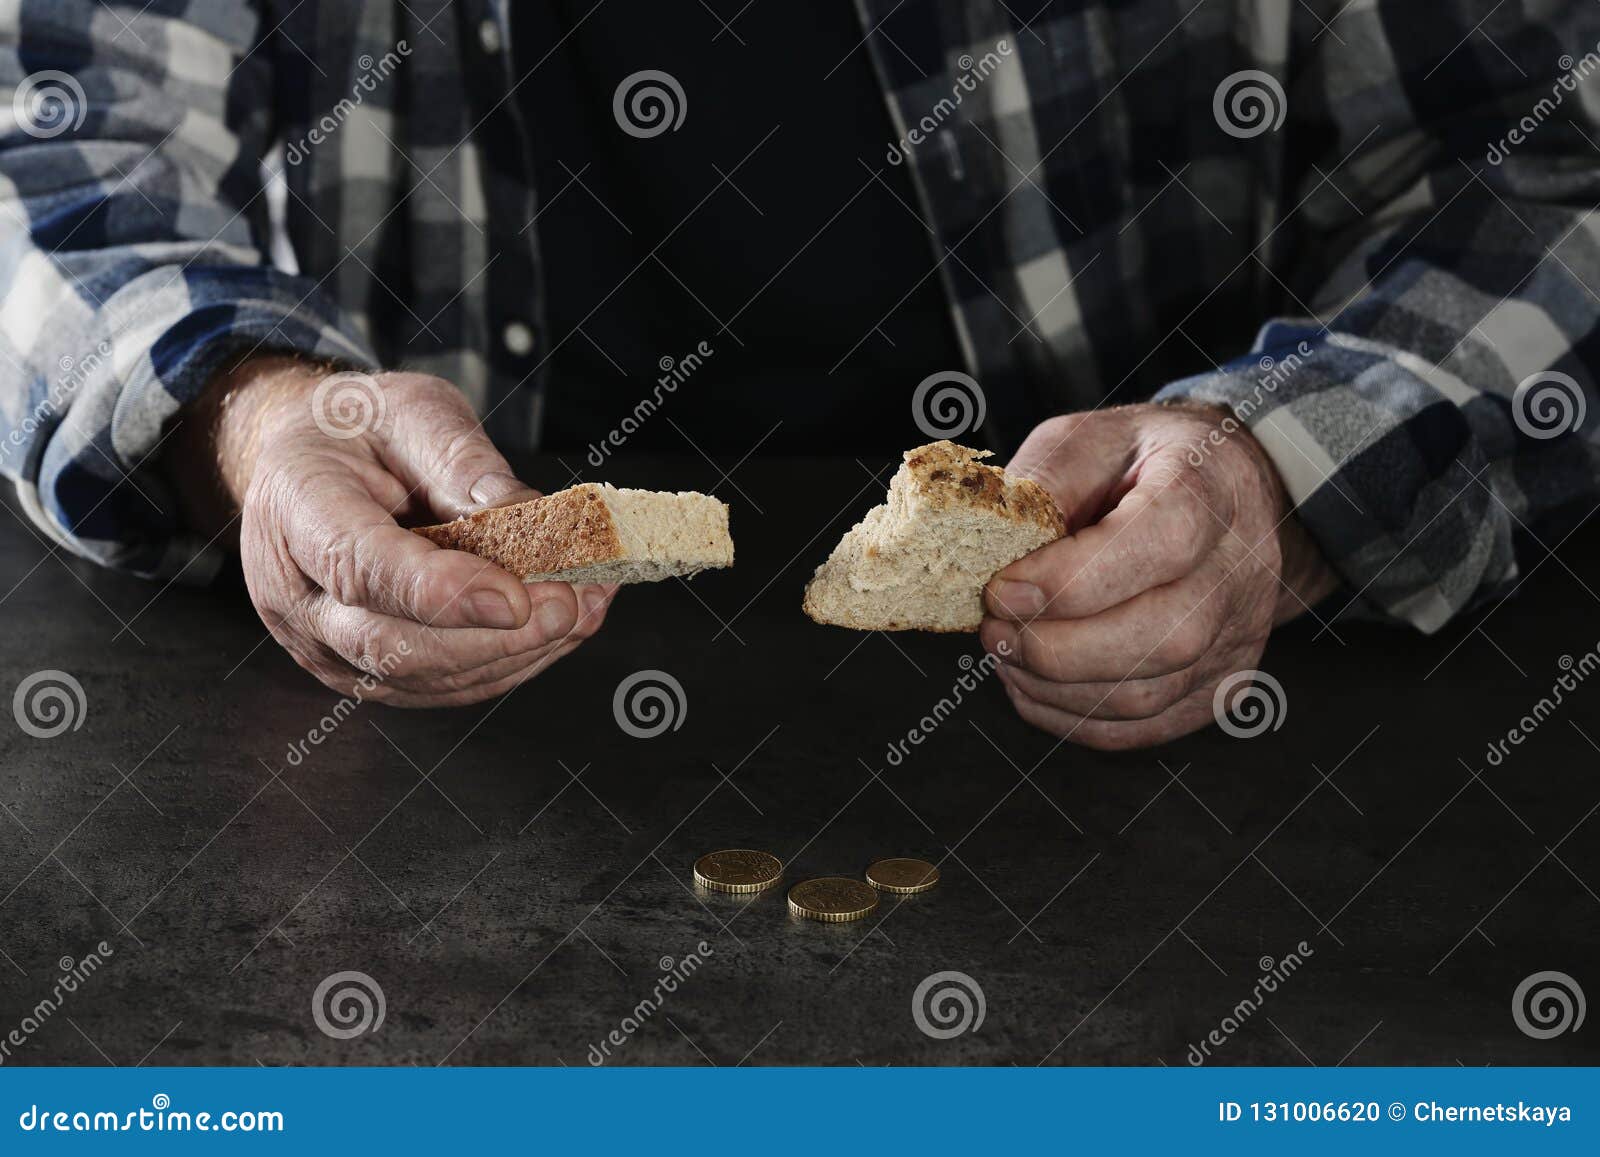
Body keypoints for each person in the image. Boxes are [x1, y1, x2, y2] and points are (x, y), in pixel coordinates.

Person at [1, 2, 1596, 747]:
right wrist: (258, 414)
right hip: (452, 753)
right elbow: (52, 134)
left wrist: (1284, 484)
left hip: (1218, 737)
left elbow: (1562, 154)